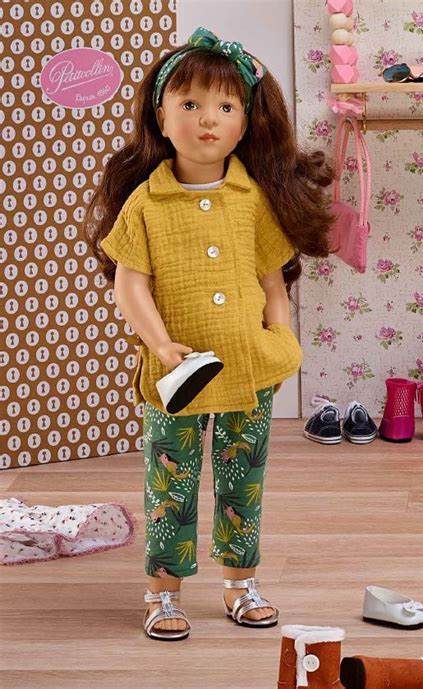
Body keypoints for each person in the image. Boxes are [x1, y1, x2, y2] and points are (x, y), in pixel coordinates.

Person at [83, 27, 334, 641]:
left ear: (246, 122)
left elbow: (272, 283)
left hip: (250, 366)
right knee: (169, 483)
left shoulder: (253, 199)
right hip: (177, 374)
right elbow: (130, 287)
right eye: (190, 103)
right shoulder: (146, 204)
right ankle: (163, 592)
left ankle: (241, 583)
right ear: (160, 117)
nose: (207, 119)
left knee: (243, 479)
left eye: (225, 106)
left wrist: (282, 341)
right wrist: (159, 344)